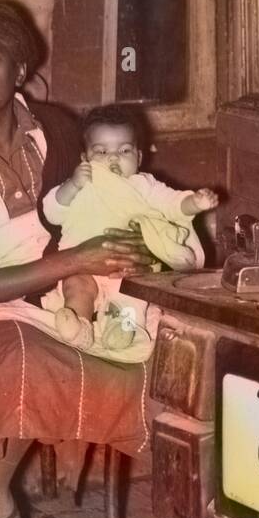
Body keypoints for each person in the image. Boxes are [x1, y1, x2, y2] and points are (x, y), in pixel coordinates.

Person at [0, 0, 153, 518]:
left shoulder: (58, 131)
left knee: (148, 343)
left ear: (19, 70)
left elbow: (108, 205)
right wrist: (75, 260)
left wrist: (125, 245)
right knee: (24, 358)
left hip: (60, 293)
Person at [41, 104, 217, 350]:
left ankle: (122, 329)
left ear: (139, 157)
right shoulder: (81, 185)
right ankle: (79, 326)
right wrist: (72, 184)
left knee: (133, 294)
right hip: (81, 267)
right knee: (77, 288)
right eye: (101, 152)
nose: (113, 158)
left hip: (126, 269)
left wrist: (194, 202)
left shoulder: (144, 186)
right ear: (85, 159)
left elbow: (171, 204)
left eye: (124, 150)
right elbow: (51, 211)